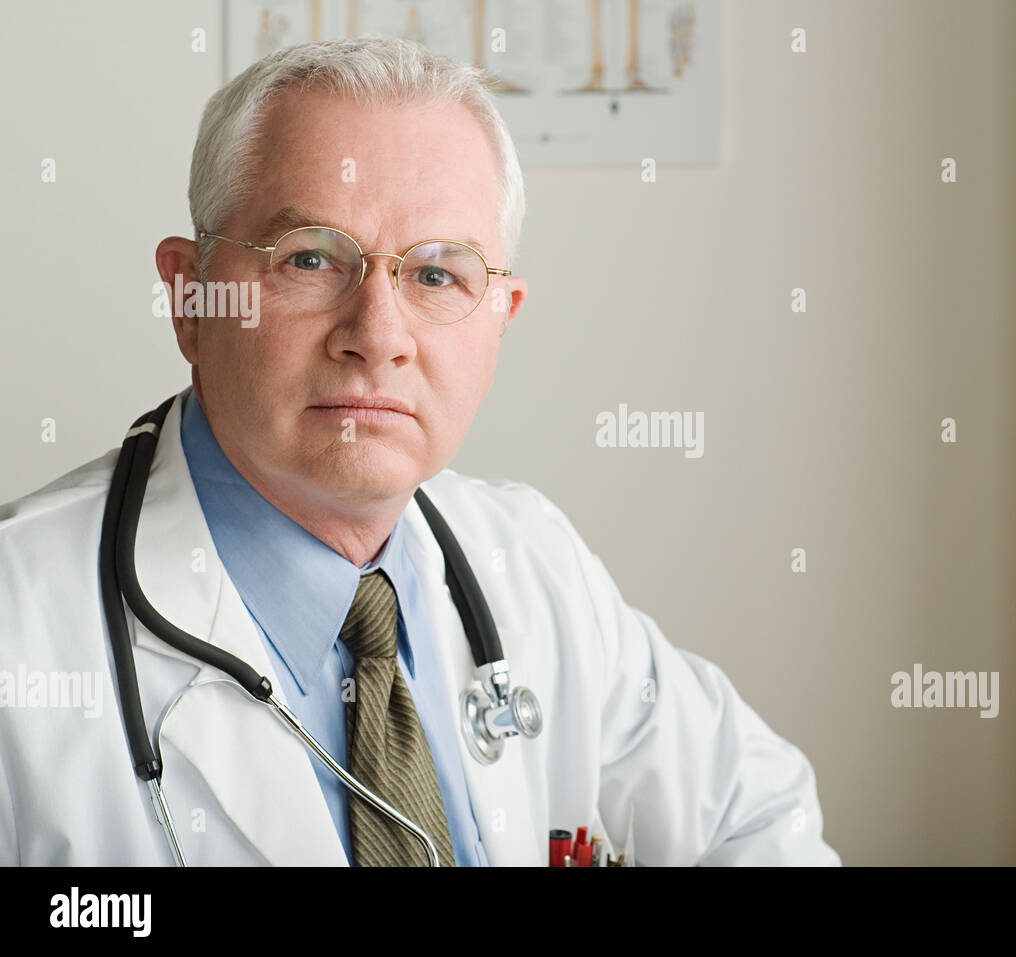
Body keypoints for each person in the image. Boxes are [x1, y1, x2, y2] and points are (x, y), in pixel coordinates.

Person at [0, 36, 839, 866]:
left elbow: (762, 820)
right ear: (190, 298)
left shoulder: (533, 562)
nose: (378, 335)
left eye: (437, 275)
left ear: (501, 317)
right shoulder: (23, 624)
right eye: (312, 258)